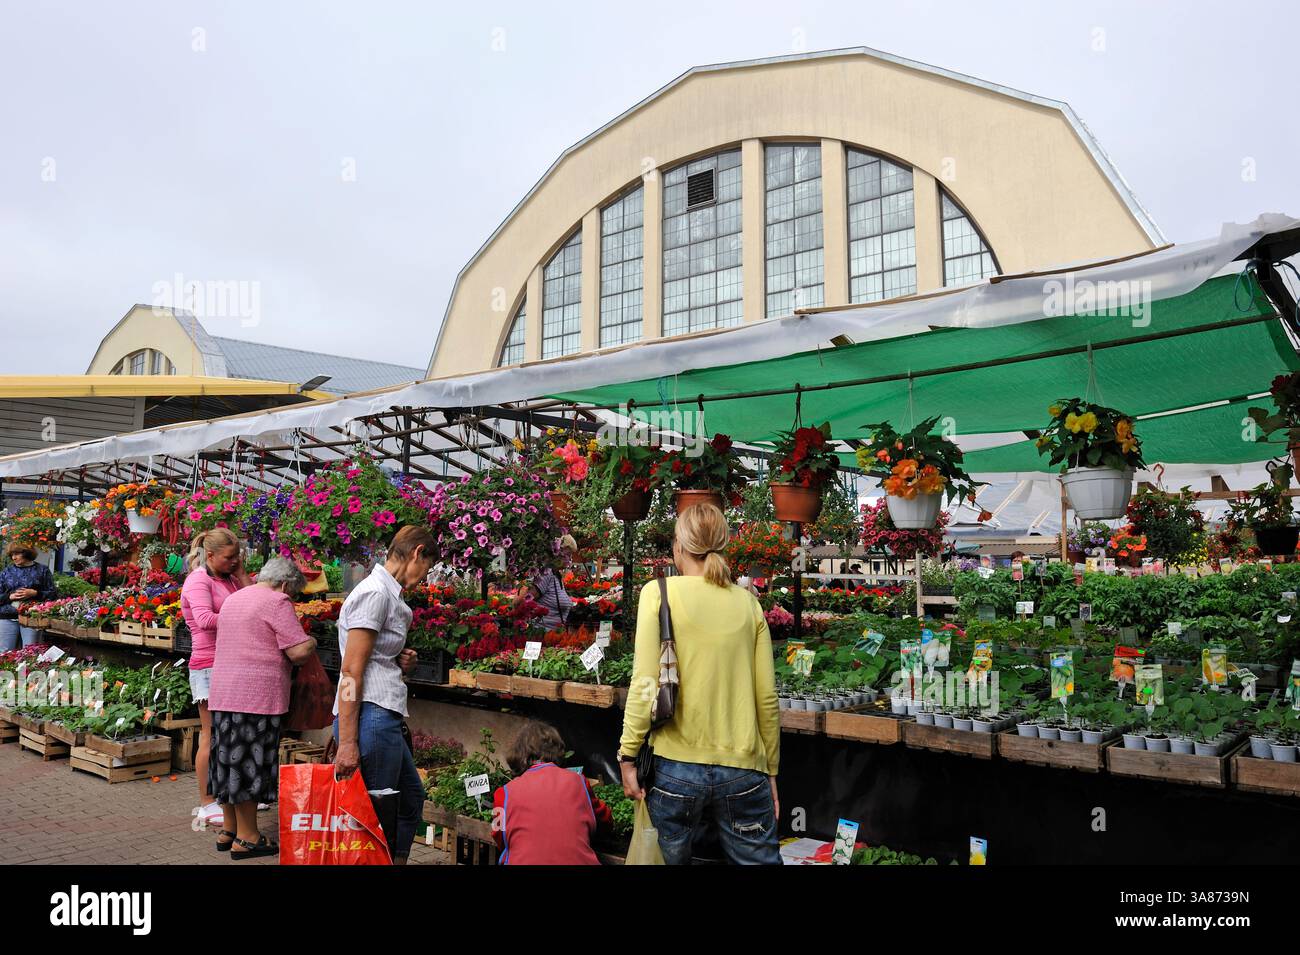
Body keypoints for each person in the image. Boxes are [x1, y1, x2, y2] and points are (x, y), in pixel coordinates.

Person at [617, 503, 781, 865]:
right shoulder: (748, 604)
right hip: (744, 767)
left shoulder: (657, 593)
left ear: (679, 546)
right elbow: (766, 698)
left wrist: (628, 756)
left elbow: (645, 683)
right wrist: (770, 771)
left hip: (675, 768)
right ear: (723, 545)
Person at [333, 525, 435, 865]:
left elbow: (372, 659)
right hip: (370, 718)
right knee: (378, 814)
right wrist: (347, 742)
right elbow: (350, 671)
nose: (425, 577)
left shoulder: (388, 594)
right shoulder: (376, 593)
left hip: (382, 713)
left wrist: (400, 660)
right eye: (428, 567)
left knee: (409, 801)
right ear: (417, 553)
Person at [206, 557, 315, 858]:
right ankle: (249, 838)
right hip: (256, 698)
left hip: (224, 692)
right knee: (249, 765)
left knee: (227, 761)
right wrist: (312, 641)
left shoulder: (235, 598)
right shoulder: (277, 601)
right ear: (284, 584)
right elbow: (297, 652)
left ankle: (229, 830)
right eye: (293, 592)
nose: (291, 597)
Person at [180, 528, 253, 826]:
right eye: (229, 557)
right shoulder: (198, 579)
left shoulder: (230, 578)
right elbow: (205, 620)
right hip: (209, 664)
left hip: (231, 662)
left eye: (238, 556)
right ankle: (207, 801)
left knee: (231, 734)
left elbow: (253, 599)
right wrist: (248, 619)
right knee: (211, 734)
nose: (234, 561)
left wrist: (242, 572)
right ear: (209, 555)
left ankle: (235, 796)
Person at [491, 721, 612, 865]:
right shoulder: (578, 782)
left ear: (518, 753)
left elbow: (499, 836)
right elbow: (605, 819)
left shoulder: (503, 794)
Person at [0, 544, 57, 650]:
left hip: (31, 617)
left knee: (30, 652)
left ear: (26, 553)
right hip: (7, 617)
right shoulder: (6, 572)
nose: (14, 558)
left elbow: (53, 594)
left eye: (17, 554)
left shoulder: (42, 570)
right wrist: (9, 596)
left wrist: (35, 593)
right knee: (5, 653)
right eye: (12, 555)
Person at [526, 534, 577, 631]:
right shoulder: (546, 573)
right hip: (541, 634)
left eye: (571, 555)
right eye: (568, 555)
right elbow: (527, 601)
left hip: (553, 634)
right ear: (558, 553)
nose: (569, 559)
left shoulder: (556, 575)